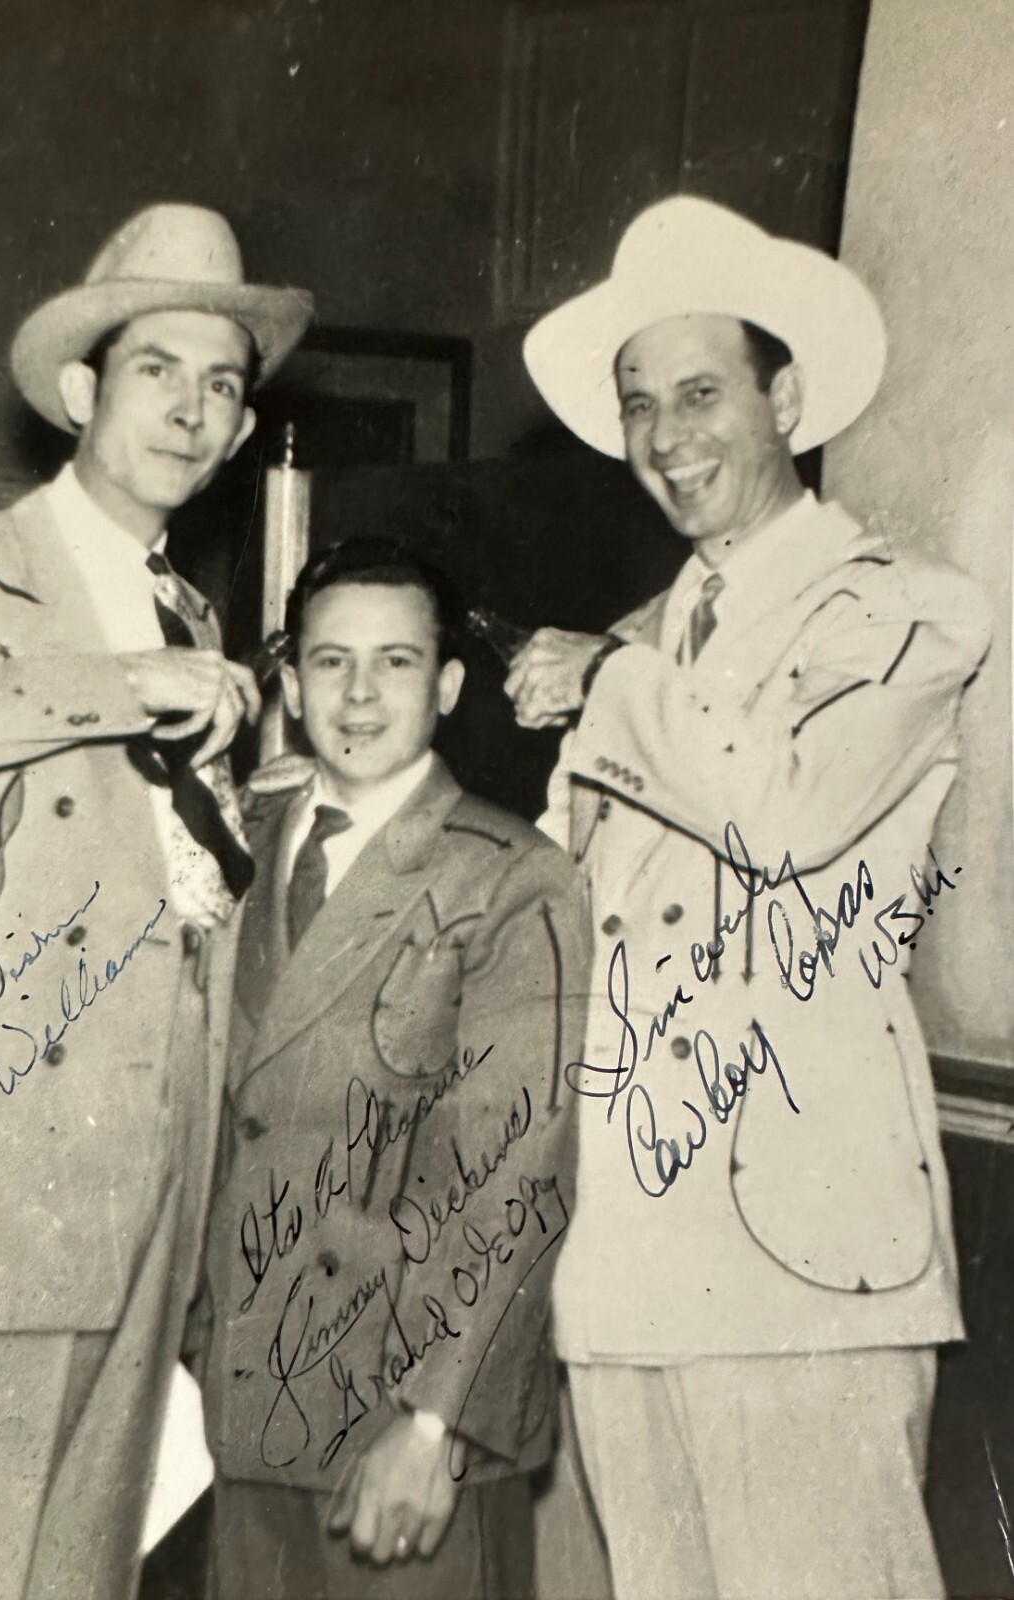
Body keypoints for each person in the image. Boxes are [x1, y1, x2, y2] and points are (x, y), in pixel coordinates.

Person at [0, 203, 313, 1600]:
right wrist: (117, 688)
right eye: (160, 369)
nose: (198, 410)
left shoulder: (192, 615)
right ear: (84, 390)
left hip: (160, 1150)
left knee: (86, 1567)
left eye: (225, 384)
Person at [506, 195, 991, 1599]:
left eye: (704, 391)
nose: (667, 438)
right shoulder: (643, 644)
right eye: (641, 402)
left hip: (804, 1255)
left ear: (785, 396)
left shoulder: (903, 605)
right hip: (628, 1243)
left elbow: (782, 814)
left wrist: (611, 684)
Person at [195, 540, 592, 1599]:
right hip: (237, 1399)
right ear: (288, 681)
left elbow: (519, 1177)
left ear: (450, 685)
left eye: (396, 661)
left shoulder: (509, 875)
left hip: (398, 1413)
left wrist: (433, 1424)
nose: (358, 693)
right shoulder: (234, 842)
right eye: (329, 662)